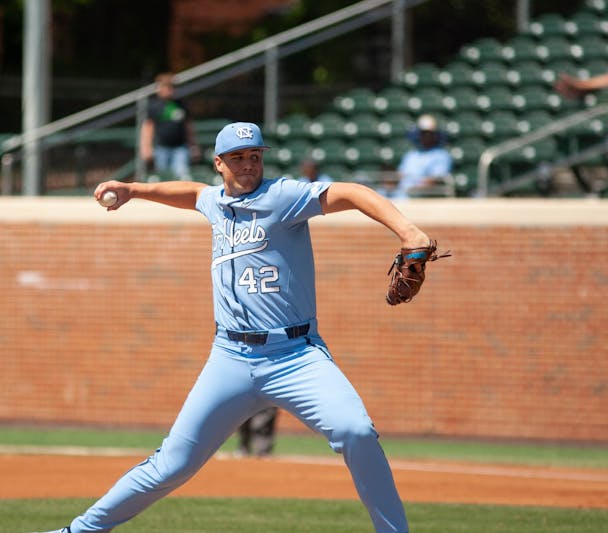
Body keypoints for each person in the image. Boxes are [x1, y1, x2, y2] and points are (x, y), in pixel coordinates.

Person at [35, 121, 436, 533]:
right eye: (238, 157)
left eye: (255, 156)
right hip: (230, 358)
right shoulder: (215, 201)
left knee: (356, 431)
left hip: (296, 356)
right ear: (219, 163)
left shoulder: (283, 197)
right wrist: (133, 190)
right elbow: (192, 193)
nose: (248, 164)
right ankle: (77, 532)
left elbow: (351, 193)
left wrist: (408, 231)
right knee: (173, 464)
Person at [139, 72, 199, 180]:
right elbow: (148, 128)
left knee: (183, 176)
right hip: (161, 148)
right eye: (167, 87)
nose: (170, 90)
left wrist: (193, 145)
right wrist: (146, 147)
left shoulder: (181, 104)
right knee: (164, 178)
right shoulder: (154, 105)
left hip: (180, 147)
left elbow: (188, 127)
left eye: (172, 87)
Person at [390, 114, 452, 199]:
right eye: (423, 133)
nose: (426, 136)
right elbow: (400, 175)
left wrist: (415, 190)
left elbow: (436, 179)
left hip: (423, 199)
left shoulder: (441, 155)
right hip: (401, 196)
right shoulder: (411, 155)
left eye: (429, 133)